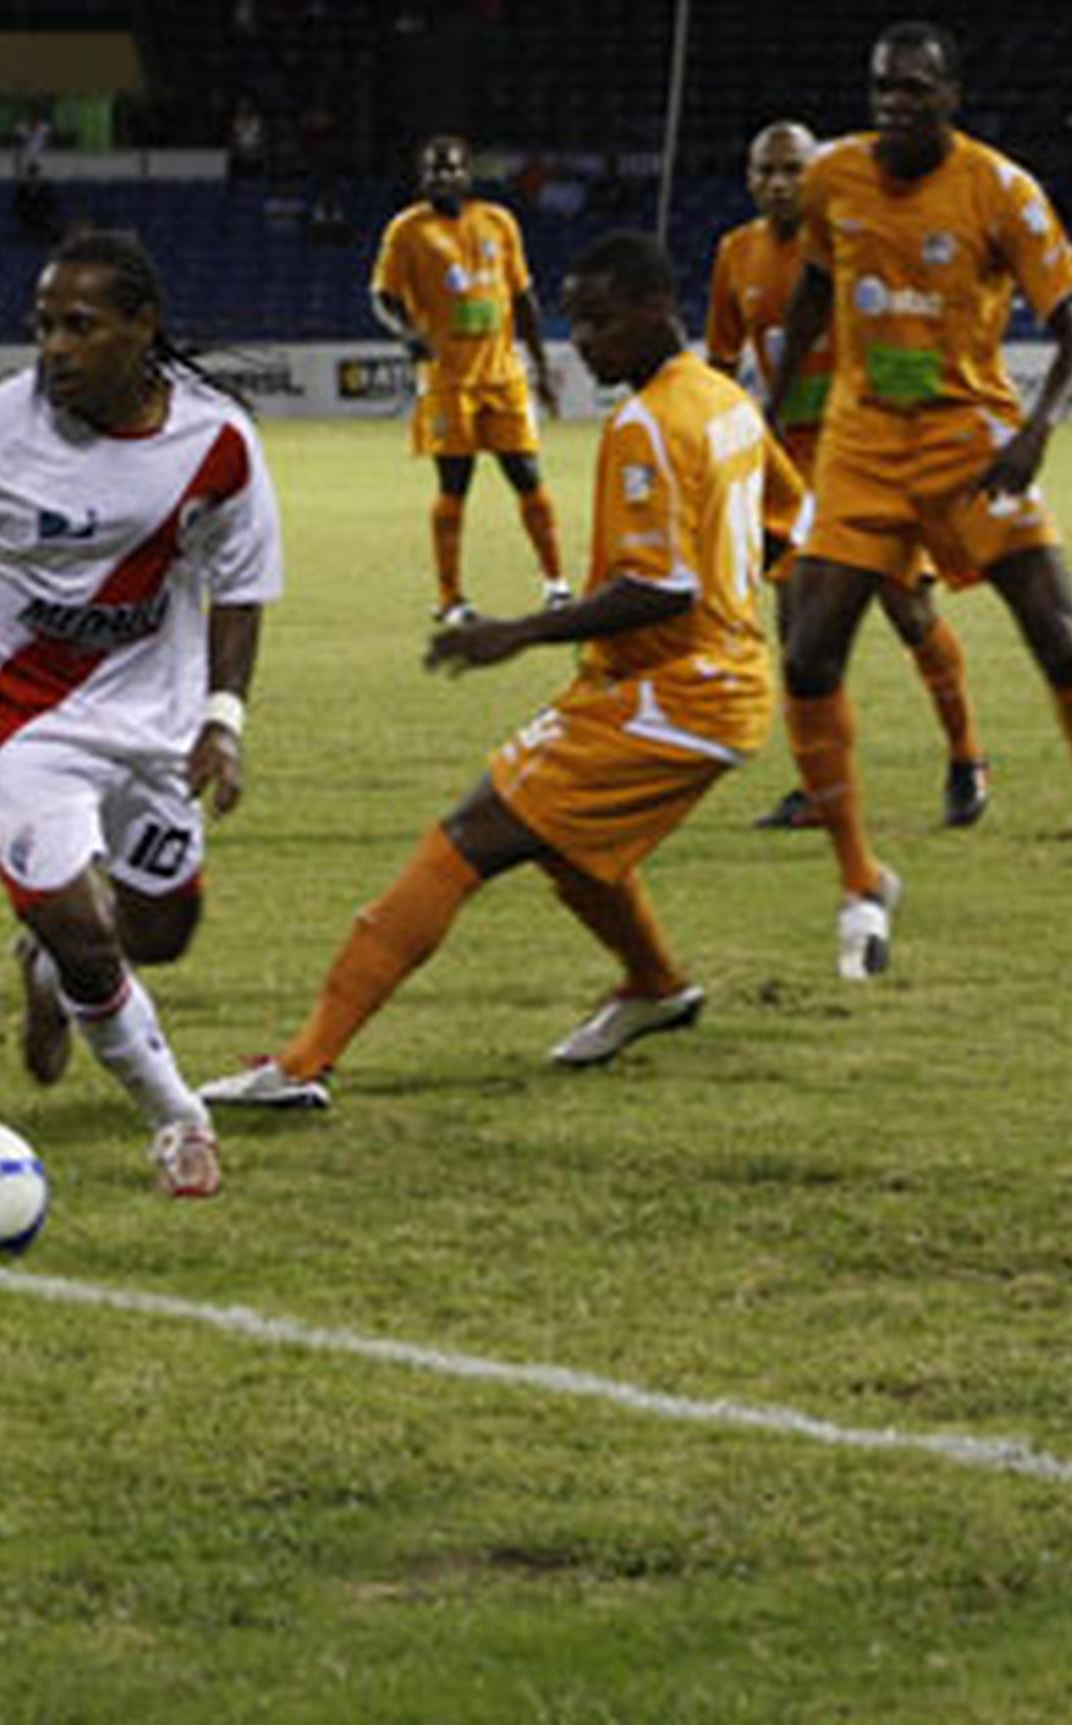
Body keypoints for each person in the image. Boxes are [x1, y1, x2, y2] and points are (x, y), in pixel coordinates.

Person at [201, 230, 800, 1110]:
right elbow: (788, 518)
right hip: (703, 682)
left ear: (653, 311)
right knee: (567, 849)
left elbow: (660, 588)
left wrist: (515, 631)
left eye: (598, 322)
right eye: (575, 321)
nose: (582, 341)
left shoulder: (650, 422)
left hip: (675, 693)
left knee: (465, 839)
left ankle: (302, 1063)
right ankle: (656, 986)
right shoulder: (724, 398)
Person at [0, 228, 282, 1200]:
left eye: (80, 326)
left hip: (157, 724)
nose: (54, 347)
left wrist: (223, 720)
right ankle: (178, 1118)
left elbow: (240, 583)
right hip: (20, 726)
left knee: (161, 930)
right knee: (82, 926)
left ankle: (49, 969)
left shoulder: (216, 443)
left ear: (142, 329)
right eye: (44, 325)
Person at [767, 21, 1072, 978]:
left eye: (914, 90)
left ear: (952, 96)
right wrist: (779, 395)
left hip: (971, 445)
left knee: (1065, 643)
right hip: (864, 447)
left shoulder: (1002, 190)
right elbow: (814, 293)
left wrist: (1037, 430)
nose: (895, 106)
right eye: (882, 91)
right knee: (808, 659)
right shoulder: (834, 178)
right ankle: (862, 885)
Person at [706, 119, 990, 832]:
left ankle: (966, 755)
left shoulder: (859, 243)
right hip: (791, 475)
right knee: (799, 630)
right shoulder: (734, 254)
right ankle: (819, 790)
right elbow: (719, 362)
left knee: (909, 611)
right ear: (748, 178)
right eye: (764, 170)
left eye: (792, 170)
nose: (778, 183)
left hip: (873, 455)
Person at [370, 134, 569, 625]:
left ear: (467, 174)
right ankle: (451, 598)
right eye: (434, 170)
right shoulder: (407, 230)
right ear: (422, 178)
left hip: (503, 377)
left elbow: (523, 298)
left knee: (528, 476)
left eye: (451, 168)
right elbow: (383, 295)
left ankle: (557, 585)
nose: (443, 177)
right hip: (447, 381)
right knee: (454, 486)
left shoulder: (498, 222)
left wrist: (541, 369)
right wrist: (406, 334)